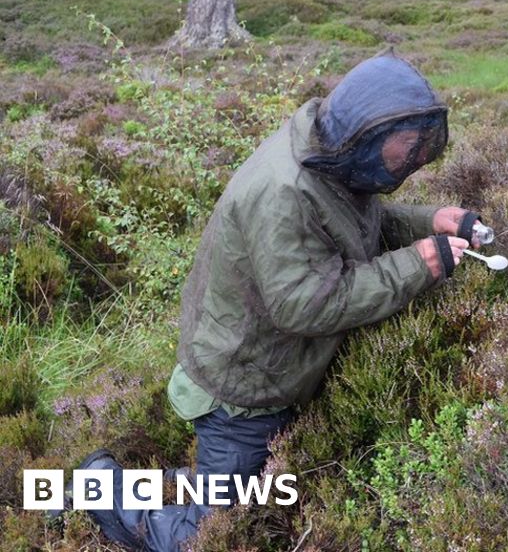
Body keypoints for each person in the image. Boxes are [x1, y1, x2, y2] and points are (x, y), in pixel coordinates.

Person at [68, 48, 483, 551]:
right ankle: (101, 490)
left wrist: (429, 221)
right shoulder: (285, 191)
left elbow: (354, 228)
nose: (408, 163)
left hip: (273, 375)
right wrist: (419, 264)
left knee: (262, 498)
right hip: (240, 392)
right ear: (363, 136)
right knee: (211, 538)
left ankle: (192, 482)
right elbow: (308, 304)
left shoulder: (331, 158)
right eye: (401, 151)